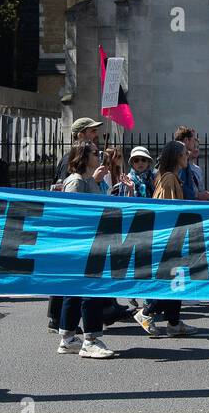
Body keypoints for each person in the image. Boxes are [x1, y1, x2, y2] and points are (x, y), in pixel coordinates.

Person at [131, 141, 201, 339]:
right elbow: (168, 211)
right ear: (177, 157)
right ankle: (146, 312)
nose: (188, 156)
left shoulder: (170, 177)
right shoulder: (169, 178)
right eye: (184, 153)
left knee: (176, 280)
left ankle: (173, 322)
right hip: (171, 238)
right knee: (173, 281)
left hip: (172, 237)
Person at [54, 142, 116, 359]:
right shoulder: (75, 181)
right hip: (83, 244)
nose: (99, 156)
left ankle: (68, 338)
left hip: (91, 242)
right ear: (83, 157)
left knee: (75, 291)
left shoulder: (89, 180)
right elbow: (71, 214)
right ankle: (90, 339)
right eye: (94, 153)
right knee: (90, 291)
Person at [173, 125, 209, 200]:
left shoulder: (180, 156)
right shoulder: (180, 157)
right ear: (186, 140)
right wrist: (197, 195)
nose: (194, 145)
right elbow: (180, 185)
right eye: (193, 140)